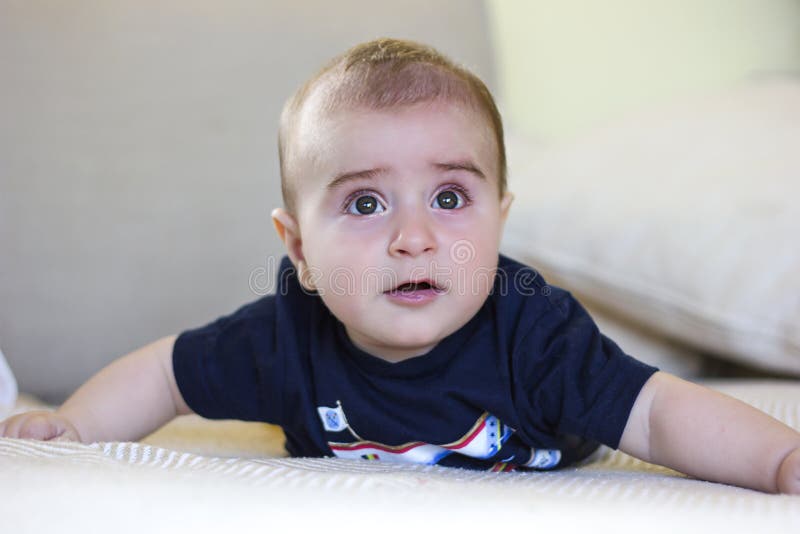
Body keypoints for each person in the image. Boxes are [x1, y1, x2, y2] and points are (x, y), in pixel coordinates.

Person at [2, 38, 799, 492]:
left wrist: (779, 461)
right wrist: (73, 426)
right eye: (364, 203)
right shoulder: (284, 337)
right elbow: (165, 375)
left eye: (449, 198)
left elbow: (659, 416)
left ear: (500, 220)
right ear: (299, 250)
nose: (413, 238)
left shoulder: (537, 334)